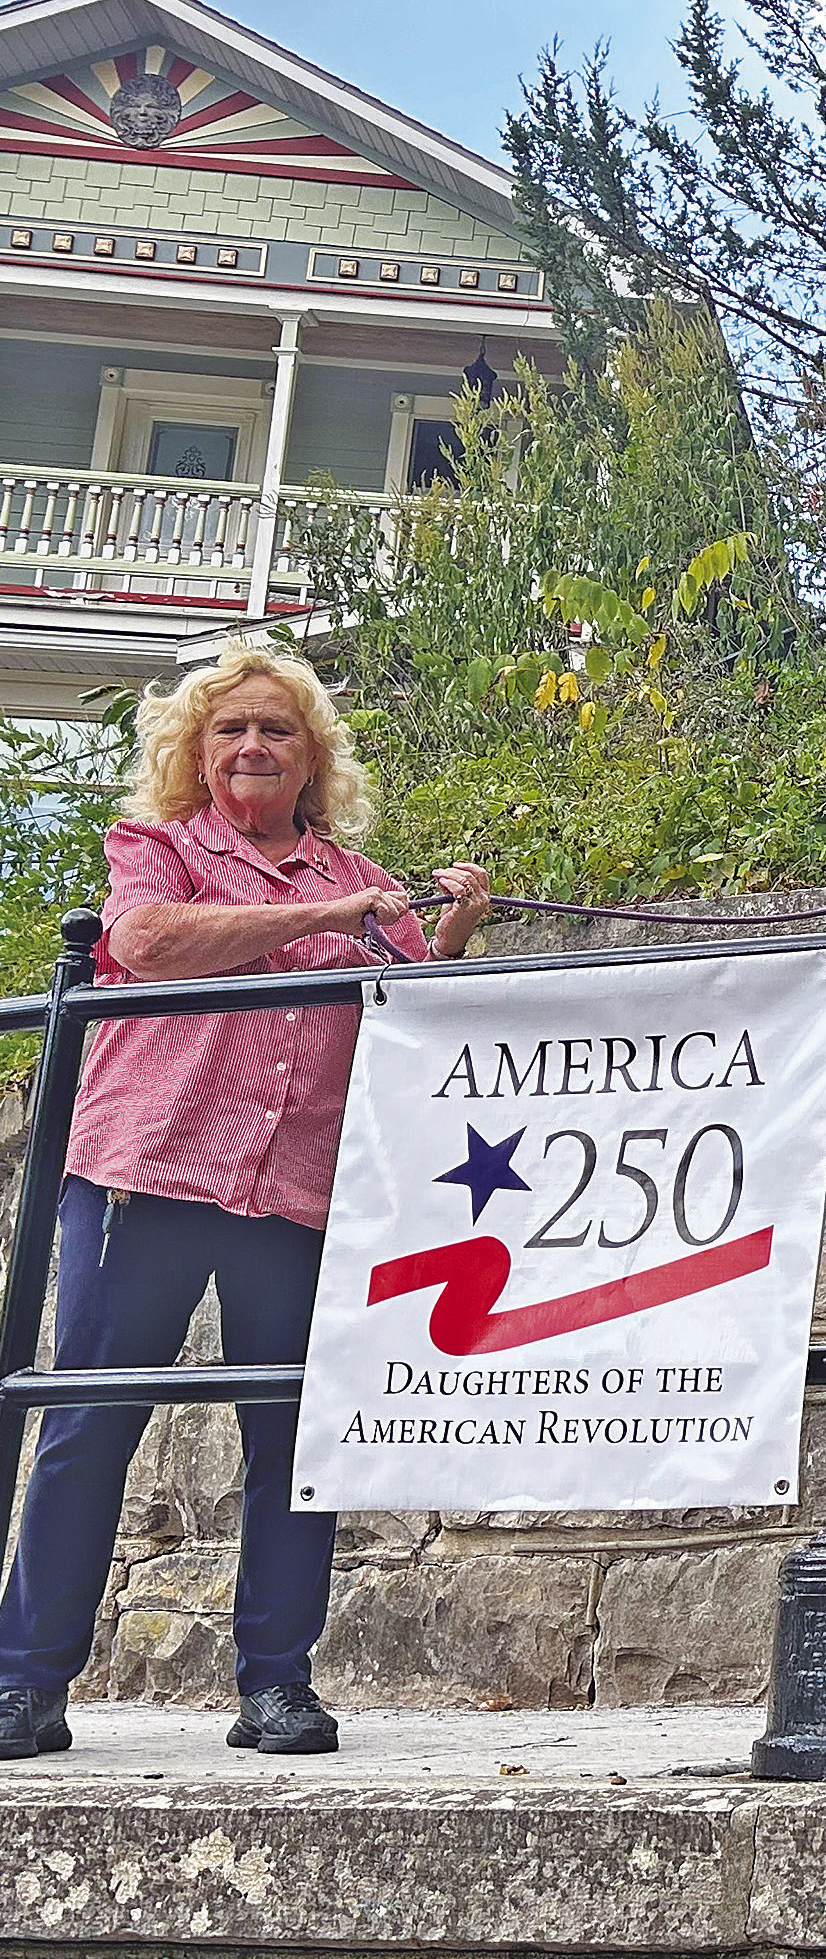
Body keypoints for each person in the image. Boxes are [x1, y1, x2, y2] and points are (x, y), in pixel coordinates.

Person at [0, 643, 490, 1759]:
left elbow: (409, 1025)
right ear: (196, 751)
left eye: (276, 730)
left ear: (312, 757)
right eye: (231, 730)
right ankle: (23, 1685)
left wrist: (442, 937)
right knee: (88, 1424)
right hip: (150, 1169)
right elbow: (144, 944)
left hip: (298, 1191)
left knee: (292, 1435)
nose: (253, 747)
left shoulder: (353, 878)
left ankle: (277, 1686)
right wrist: (319, 923)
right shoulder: (157, 848)